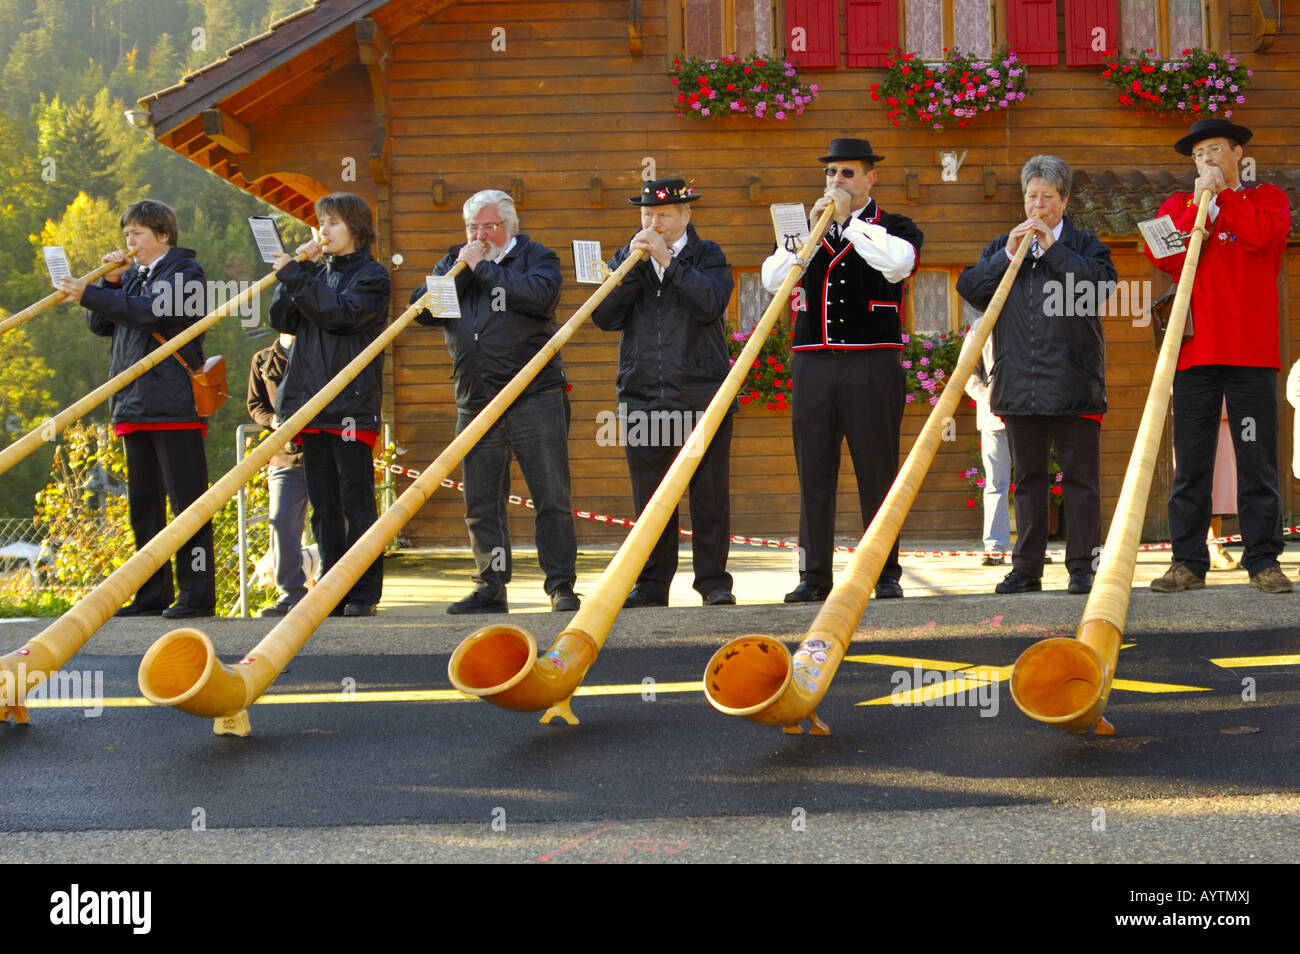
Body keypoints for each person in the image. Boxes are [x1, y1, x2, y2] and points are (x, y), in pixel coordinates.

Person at [761, 137, 922, 603]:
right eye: (831, 174)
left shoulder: (895, 226)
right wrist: (809, 236)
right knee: (814, 471)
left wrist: (847, 222)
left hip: (871, 361)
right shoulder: (802, 228)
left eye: (847, 173)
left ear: (871, 178)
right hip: (812, 361)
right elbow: (774, 280)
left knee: (877, 471)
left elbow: (896, 265)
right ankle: (814, 574)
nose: (836, 181)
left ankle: (883, 571)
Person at [412, 189, 579, 614]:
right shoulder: (455, 262)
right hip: (475, 401)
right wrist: (462, 269)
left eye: (489, 225)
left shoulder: (537, 257)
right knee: (482, 502)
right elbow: (424, 312)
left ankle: (560, 586)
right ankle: (491, 587)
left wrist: (484, 267)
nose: (480, 234)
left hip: (534, 397)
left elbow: (539, 298)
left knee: (551, 497)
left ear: (510, 227)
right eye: (473, 226)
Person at [1145, 117, 1292, 594]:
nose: (1205, 159)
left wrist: (1224, 196)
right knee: (1191, 462)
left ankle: (1263, 560)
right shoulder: (1177, 205)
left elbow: (1260, 239)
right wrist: (1200, 207)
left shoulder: (1268, 199)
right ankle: (1187, 562)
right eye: (1198, 155)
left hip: (1250, 352)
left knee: (1256, 458)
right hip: (1194, 353)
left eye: (1214, 150)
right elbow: (1165, 256)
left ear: (1236, 155)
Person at [957, 155, 1115, 595]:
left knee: (1081, 481)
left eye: (1047, 197)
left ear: (1064, 201)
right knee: (1027, 482)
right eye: (1031, 197)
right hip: (1018, 384)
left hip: (1074, 383)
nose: (1038, 206)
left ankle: (1082, 566)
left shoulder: (1085, 245)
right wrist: (1007, 254)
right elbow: (970, 289)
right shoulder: (1004, 245)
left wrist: (1053, 249)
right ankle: (1027, 569)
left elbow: (1100, 289)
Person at [58, 199, 216, 619]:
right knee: (143, 505)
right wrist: (109, 283)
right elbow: (102, 324)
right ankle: (151, 594)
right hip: (133, 403)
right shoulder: (133, 276)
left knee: (188, 504)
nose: (129, 241)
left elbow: (151, 314)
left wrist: (93, 292)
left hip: (174, 403)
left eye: (138, 234)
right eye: (126, 233)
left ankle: (197, 594)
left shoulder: (186, 273)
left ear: (163, 236)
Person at [591, 178, 736, 607]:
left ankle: (713, 582)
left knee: (708, 494)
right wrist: (637, 266)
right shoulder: (627, 257)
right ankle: (653, 584)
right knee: (651, 499)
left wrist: (669, 261)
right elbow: (603, 315)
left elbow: (710, 303)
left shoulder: (707, 255)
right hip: (642, 396)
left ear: (685, 215)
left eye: (663, 216)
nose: (654, 222)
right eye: (647, 216)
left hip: (700, 395)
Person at [269, 192, 389, 617]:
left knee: (357, 502)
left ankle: (363, 591)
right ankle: (332, 588)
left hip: (351, 403)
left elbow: (340, 315)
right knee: (324, 504)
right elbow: (282, 320)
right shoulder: (313, 273)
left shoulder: (373, 276)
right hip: (309, 402)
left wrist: (299, 279)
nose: (323, 231)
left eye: (333, 223)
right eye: (321, 223)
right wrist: (295, 272)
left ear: (356, 228)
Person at [246, 333, 310, 616]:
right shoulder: (262, 359)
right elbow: (255, 403)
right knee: (282, 524)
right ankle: (291, 594)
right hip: (284, 456)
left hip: (323, 449)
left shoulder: (317, 349)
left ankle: (336, 591)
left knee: (331, 522)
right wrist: (271, 420)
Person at [960, 316, 1011, 565]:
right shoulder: (982, 325)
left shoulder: (1035, 313)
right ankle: (995, 547)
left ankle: (1033, 548)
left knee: (1032, 481)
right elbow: (967, 372)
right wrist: (989, 398)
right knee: (996, 483)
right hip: (995, 417)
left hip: (1032, 415)